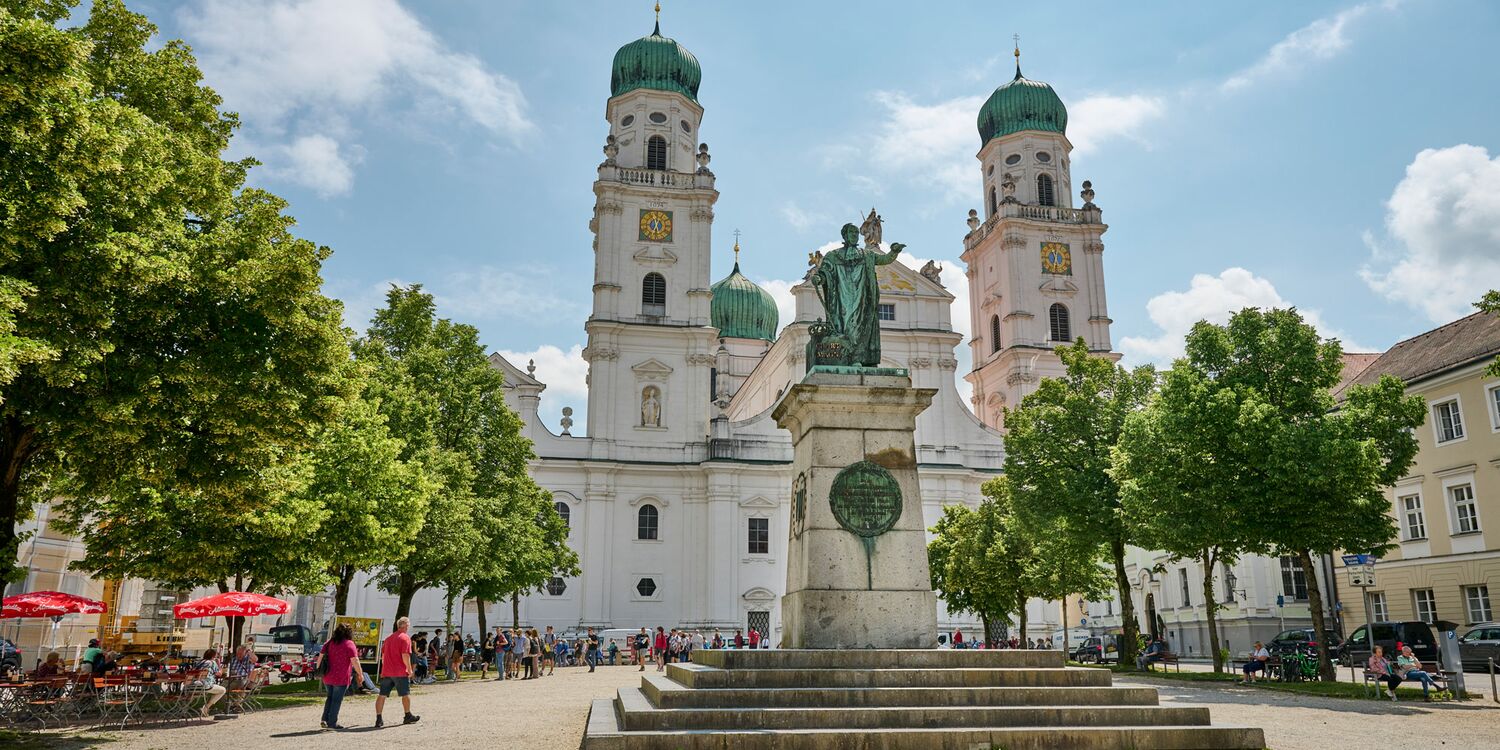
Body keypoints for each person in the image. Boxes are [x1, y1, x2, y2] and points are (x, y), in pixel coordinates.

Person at [374, 616, 420, 729]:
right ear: (405, 626)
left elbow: (383, 656)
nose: (409, 627)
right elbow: (405, 655)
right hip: (400, 672)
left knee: (382, 695)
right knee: (405, 694)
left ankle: (378, 718)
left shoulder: (389, 638)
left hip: (388, 671)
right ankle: (407, 715)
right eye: (408, 625)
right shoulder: (405, 638)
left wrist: (384, 669)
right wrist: (409, 669)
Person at [318, 624, 361, 730]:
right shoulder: (349, 644)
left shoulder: (329, 643)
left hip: (327, 676)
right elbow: (355, 661)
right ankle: (332, 723)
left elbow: (320, 657)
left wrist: (318, 670)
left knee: (330, 698)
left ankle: (325, 719)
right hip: (341, 677)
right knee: (336, 700)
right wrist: (360, 674)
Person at [189, 648, 227, 718]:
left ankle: (203, 708)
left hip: (192, 685)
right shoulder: (212, 662)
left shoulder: (200, 662)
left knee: (214, 689)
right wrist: (220, 666)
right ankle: (206, 707)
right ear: (213, 656)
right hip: (205, 685)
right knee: (223, 690)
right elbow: (219, 674)